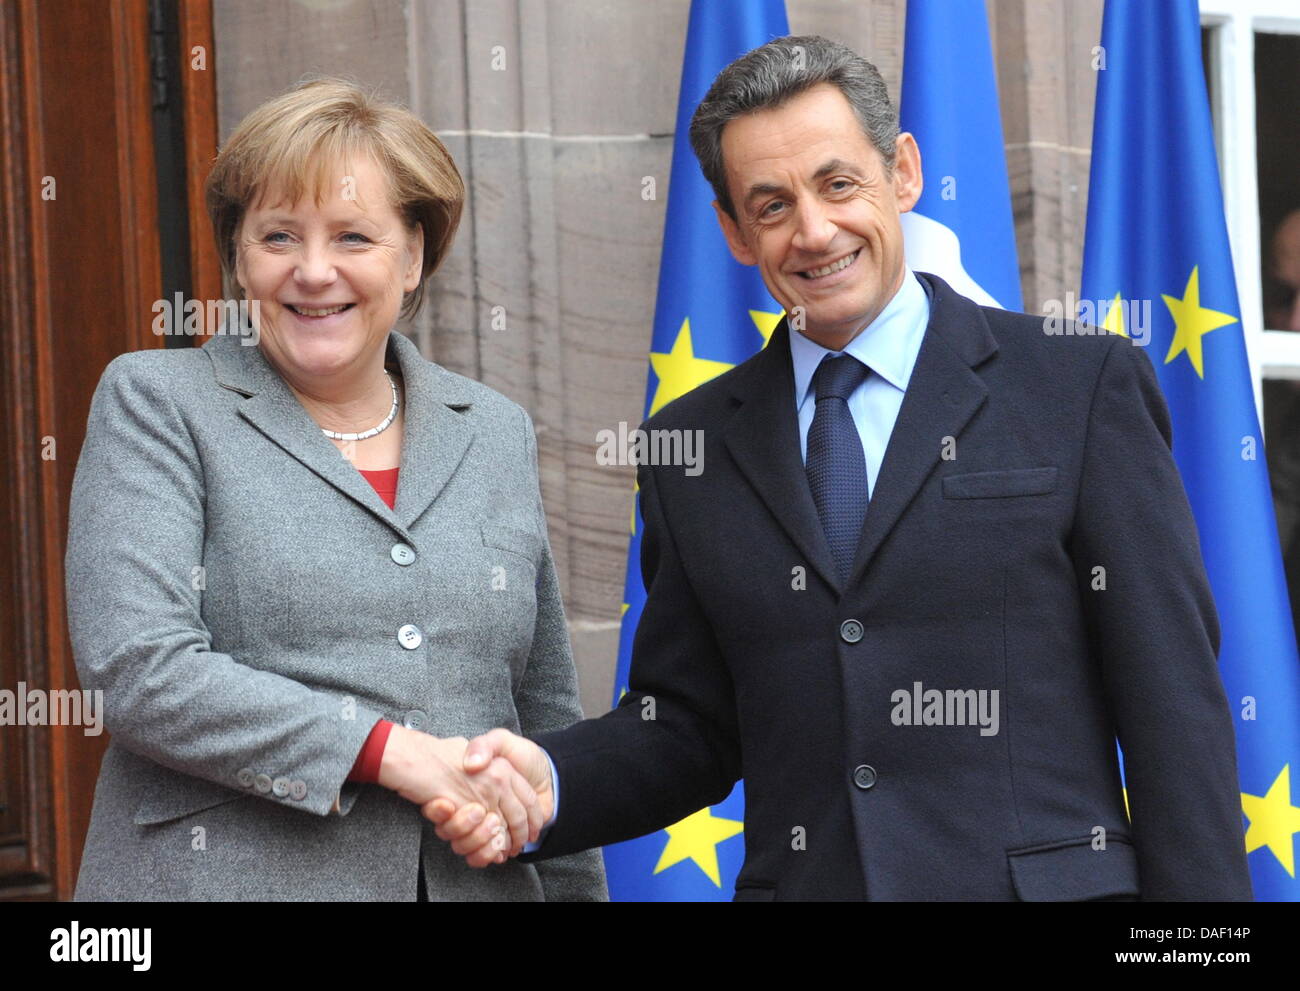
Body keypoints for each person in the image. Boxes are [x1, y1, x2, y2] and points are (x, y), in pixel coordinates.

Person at [429, 36, 1252, 900]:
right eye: (772, 204)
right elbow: (687, 727)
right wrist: (543, 781)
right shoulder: (692, 447)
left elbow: (1173, 708)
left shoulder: (1078, 383)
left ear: (901, 172)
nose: (814, 231)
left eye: (837, 183)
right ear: (734, 233)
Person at [66, 78, 606, 901]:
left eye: (353, 236)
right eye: (279, 235)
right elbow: (142, 671)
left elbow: (544, 711)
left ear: (415, 254)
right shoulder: (158, 401)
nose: (314, 272)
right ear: (239, 257)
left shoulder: (493, 428)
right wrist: (396, 751)